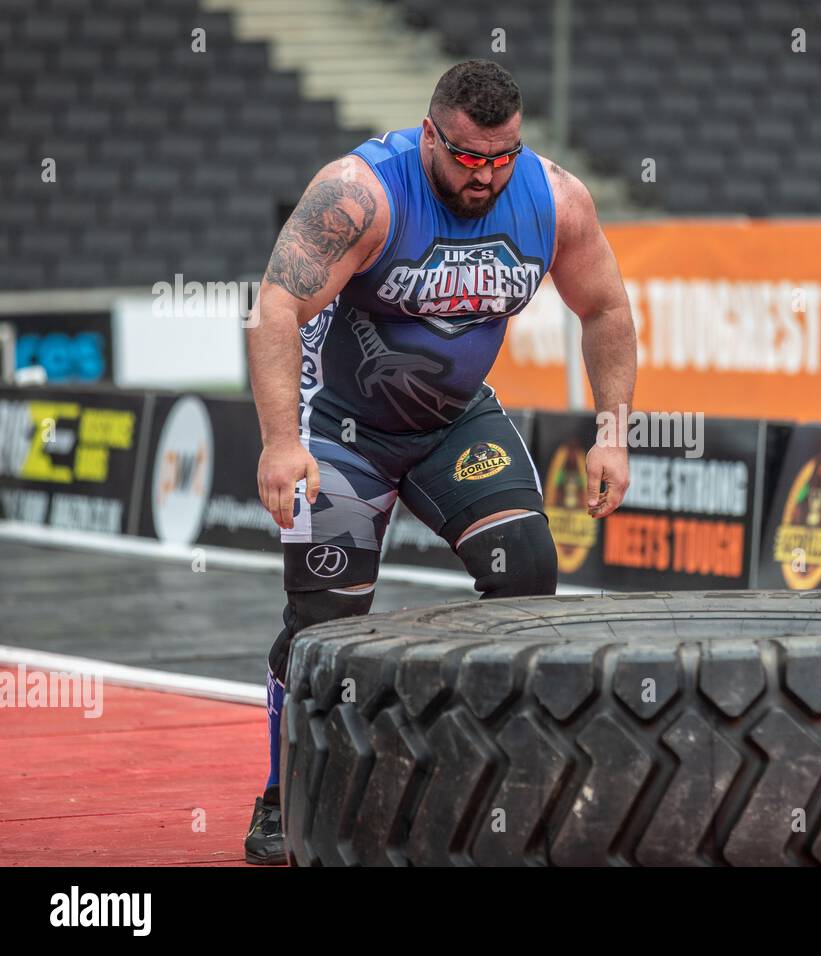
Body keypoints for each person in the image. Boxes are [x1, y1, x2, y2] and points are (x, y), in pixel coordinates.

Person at [243, 59, 636, 864]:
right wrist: (283, 442)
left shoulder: (554, 198)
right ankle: (283, 793)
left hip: (453, 422)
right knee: (324, 616)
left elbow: (606, 308)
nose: (484, 177)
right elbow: (276, 304)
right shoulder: (363, 193)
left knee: (526, 573)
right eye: (466, 157)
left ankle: (494, 784)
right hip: (344, 427)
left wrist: (614, 431)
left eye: (502, 158)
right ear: (431, 135)